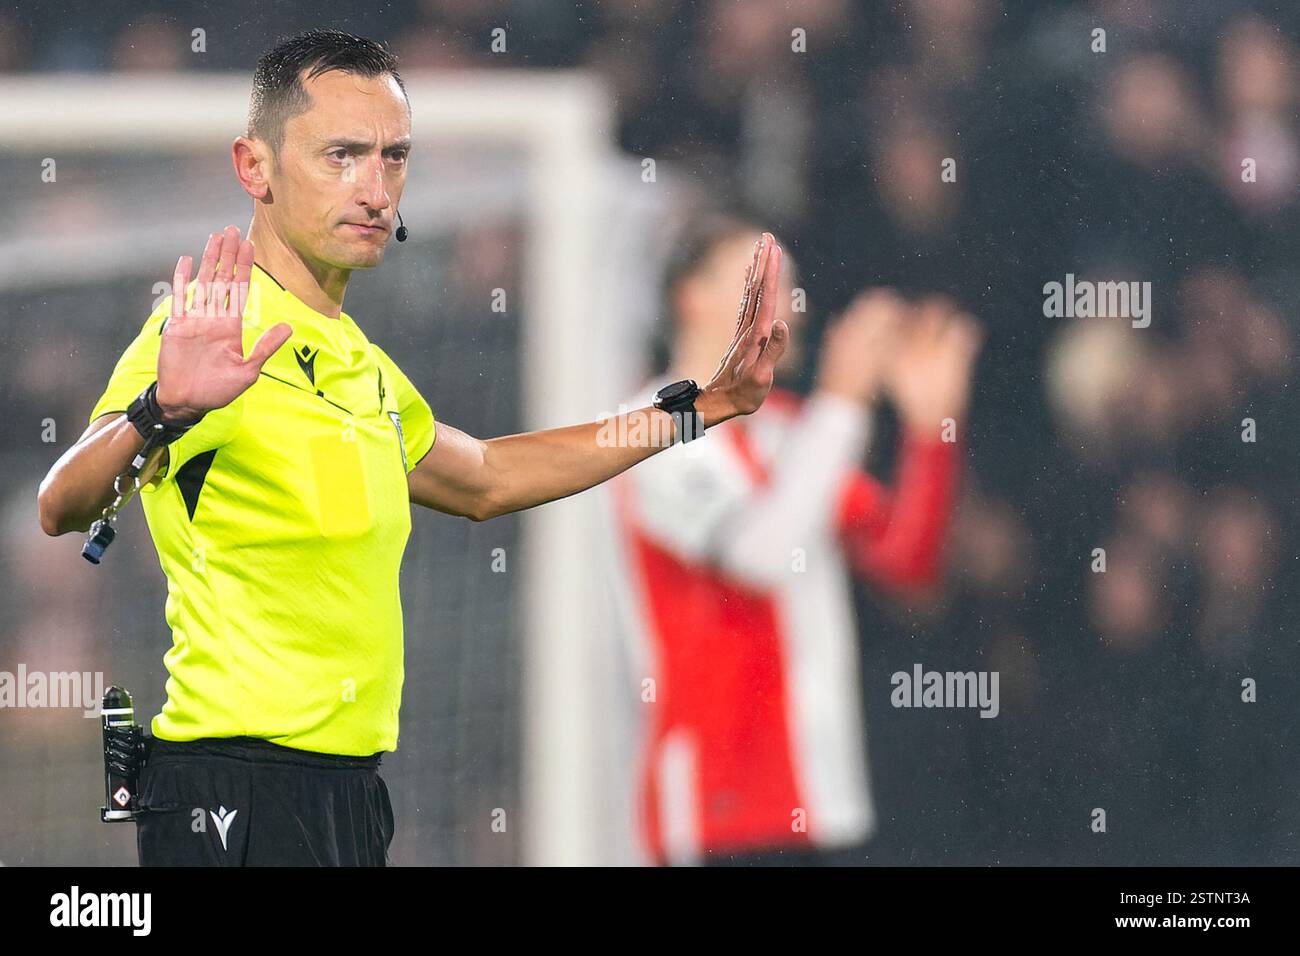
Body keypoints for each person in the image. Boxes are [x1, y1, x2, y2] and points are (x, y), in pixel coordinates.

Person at [35, 31, 790, 866]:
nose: (374, 187)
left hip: (349, 793)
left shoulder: (361, 364)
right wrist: (158, 410)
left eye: (393, 157)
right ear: (255, 168)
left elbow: (489, 477)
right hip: (230, 790)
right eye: (341, 155)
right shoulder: (205, 334)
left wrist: (698, 409)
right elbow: (61, 504)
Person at [612, 215, 982, 865]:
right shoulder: (649, 429)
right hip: (717, 809)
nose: (786, 304)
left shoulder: (791, 432)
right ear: (689, 297)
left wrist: (930, 434)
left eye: (792, 286)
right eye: (762, 280)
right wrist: (843, 399)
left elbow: (904, 565)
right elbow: (761, 556)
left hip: (818, 796)